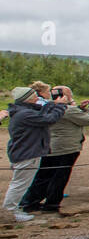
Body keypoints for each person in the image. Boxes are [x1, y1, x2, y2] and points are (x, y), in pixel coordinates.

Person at [21, 86, 89, 214]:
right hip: (66, 147)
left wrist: (80, 108)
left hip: (50, 145)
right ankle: (52, 204)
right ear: (66, 96)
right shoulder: (68, 110)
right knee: (60, 177)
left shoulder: (48, 107)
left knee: (43, 176)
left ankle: (30, 202)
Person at [4, 86, 70, 224]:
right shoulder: (25, 114)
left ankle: (12, 210)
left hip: (25, 151)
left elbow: (42, 112)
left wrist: (54, 104)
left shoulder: (23, 111)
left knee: (21, 183)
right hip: (27, 153)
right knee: (20, 184)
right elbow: (49, 119)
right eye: (34, 96)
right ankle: (9, 211)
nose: (37, 98)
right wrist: (61, 106)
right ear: (28, 99)